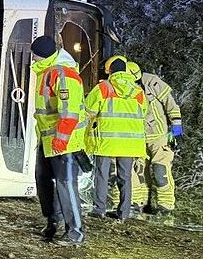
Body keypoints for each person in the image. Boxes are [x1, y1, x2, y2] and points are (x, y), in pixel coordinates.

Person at [30, 35, 87, 246]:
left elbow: (69, 113)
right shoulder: (48, 71)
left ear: (42, 55)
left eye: (34, 54)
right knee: (43, 181)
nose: (32, 58)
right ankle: (53, 222)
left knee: (66, 184)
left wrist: (61, 140)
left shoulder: (62, 74)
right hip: (49, 140)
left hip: (64, 142)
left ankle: (76, 232)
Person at [83, 58, 147, 221]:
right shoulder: (138, 91)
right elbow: (143, 113)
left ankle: (99, 210)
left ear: (110, 72)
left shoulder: (104, 87)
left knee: (102, 175)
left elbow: (88, 110)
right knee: (125, 177)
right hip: (129, 143)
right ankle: (123, 213)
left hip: (106, 140)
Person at [129, 61, 184, 215]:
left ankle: (165, 205)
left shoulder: (151, 82)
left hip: (158, 136)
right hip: (138, 137)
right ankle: (141, 203)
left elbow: (170, 104)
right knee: (139, 171)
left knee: (161, 170)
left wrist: (176, 127)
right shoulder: (123, 88)